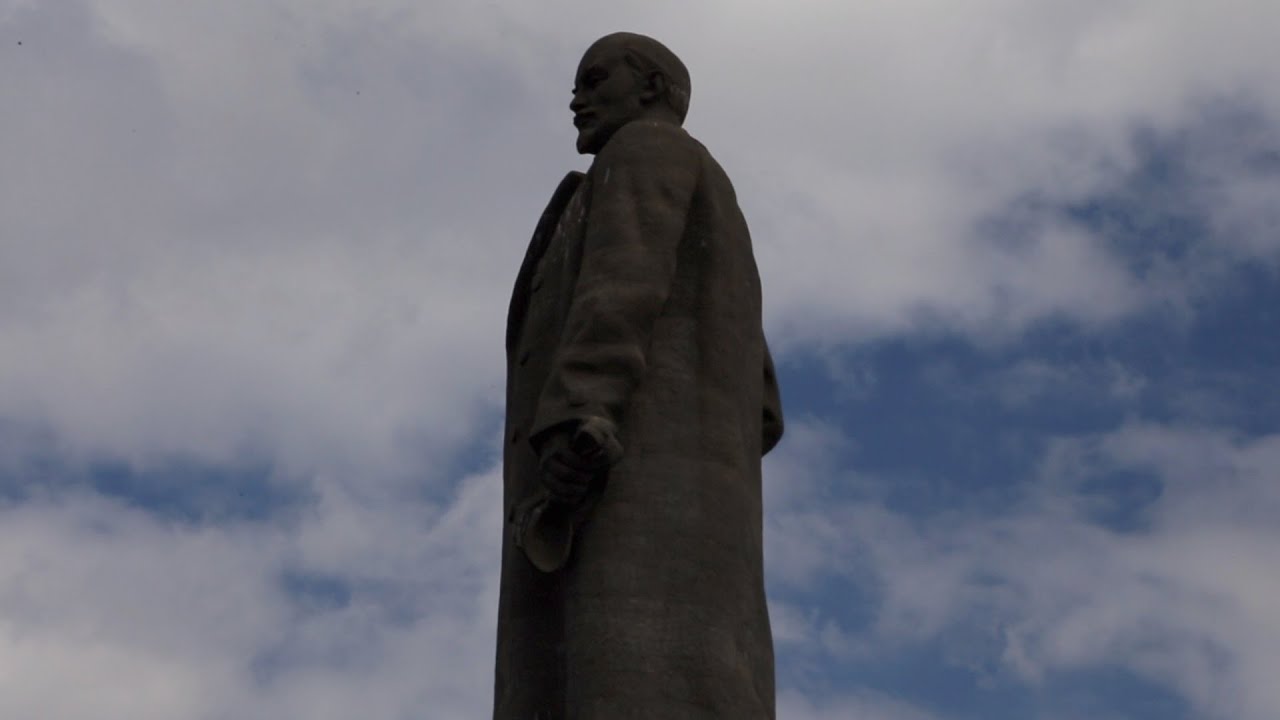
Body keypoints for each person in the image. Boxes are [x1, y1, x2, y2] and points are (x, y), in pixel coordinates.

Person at [496, 32, 784, 720]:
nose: (576, 99)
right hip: (698, 498)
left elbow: (619, 287)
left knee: (624, 677)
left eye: (595, 80)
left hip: (622, 480)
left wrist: (580, 413)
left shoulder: (646, 151)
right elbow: (765, 406)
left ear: (650, 89)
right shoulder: (712, 199)